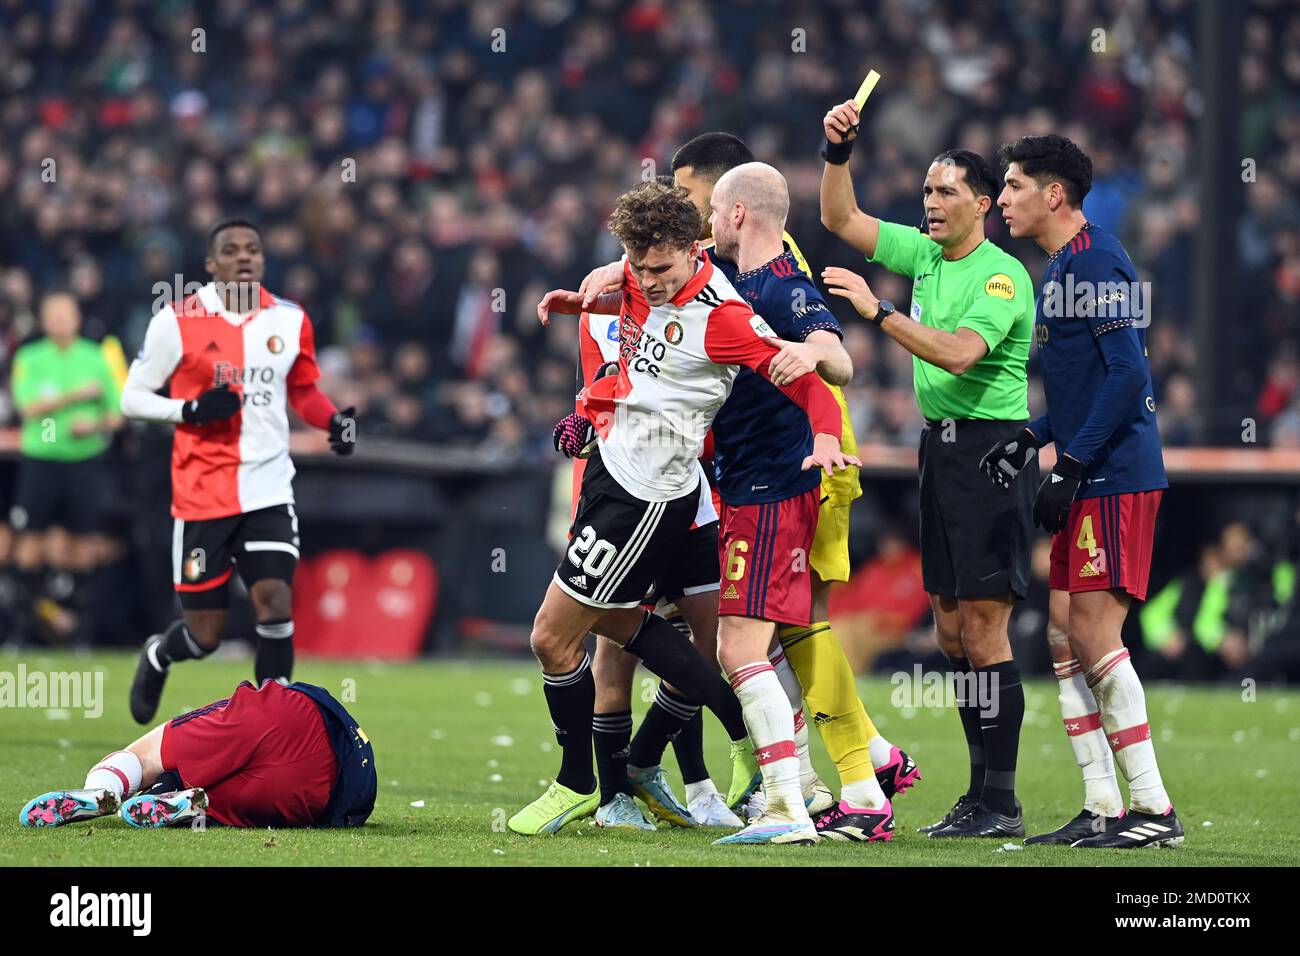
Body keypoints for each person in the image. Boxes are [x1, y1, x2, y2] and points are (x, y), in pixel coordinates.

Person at [578, 134, 921, 828]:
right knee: (772, 634)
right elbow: (663, 269)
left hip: (791, 475)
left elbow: (837, 362)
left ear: (728, 207)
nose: (686, 213)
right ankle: (851, 768)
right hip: (750, 478)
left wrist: (809, 355)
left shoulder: (775, 281)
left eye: (691, 197)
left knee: (775, 635)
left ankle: (834, 787)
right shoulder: (715, 272)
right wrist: (613, 274)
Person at [516, 180, 855, 843]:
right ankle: (653, 766)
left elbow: (811, 382)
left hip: (645, 496)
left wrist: (822, 438)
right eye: (638, 267)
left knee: (550, 638)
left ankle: (579, 783)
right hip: (616, 472)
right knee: (623, 622)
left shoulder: (725, 317)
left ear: (693, 249)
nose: (651, 281)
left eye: (662, 269)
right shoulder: (646, 275)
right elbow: (635, 297)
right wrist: (586, 301)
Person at [819, 98, 1035, 840]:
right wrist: (838, 152)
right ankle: (978, 798)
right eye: (925, 194)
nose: (930, 205)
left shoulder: (1000, 278)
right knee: (948, 630)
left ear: (981, 203)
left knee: (984, 628)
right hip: (939, 451)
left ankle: (998, 802)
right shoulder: (925, 253)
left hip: (990, 452)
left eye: (945, 193)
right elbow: (842, 220)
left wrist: (878, 314)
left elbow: (960, 354)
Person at [987, 134, 1182, 848]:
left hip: (1115, 474)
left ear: (1054, 194)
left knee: (1097, 638)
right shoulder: (1064, 266)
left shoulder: (1095, 259)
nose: (1001, 199)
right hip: (1088, 466)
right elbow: (1087, 384)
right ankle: (1102, 804)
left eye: (1012, 186)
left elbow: (1129, 376)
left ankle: (1154, 810)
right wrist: (1033, 437)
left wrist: (1069, 467)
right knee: (1067, 637)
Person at [119, 219, 356, 724]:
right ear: (211, 264)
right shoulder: (177, 321)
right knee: (204, 636)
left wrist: (333, 421)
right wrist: (189, 411)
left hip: (269, 486)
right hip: (203, 491)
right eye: (231, 250)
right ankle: (161, 654)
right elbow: (131, 397)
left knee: (273, 599)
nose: (244, 257)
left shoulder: (290, 320)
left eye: (253, 249)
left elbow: (303, 389)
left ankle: (277, 723)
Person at [20, 678, 375, 829]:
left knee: (145, 755)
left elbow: (153, 754)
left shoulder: (251, 712)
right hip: (321, 800)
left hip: (283, 720)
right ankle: (179, 801)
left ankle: (101, 789)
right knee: (213, 799)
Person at [8, 291, 121, 645]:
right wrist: (76, 396)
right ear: (43, 319)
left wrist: (96, 424)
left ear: (77, 317)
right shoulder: (30, 357)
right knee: (30, 542)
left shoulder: (96, 357)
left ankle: (80, 630)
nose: (60, 320)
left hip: (83, 461)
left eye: (65, 313)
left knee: (84, 542)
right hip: (41, 459)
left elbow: (118, 415)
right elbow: (28, 408)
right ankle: (23, 628)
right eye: (52, 314)